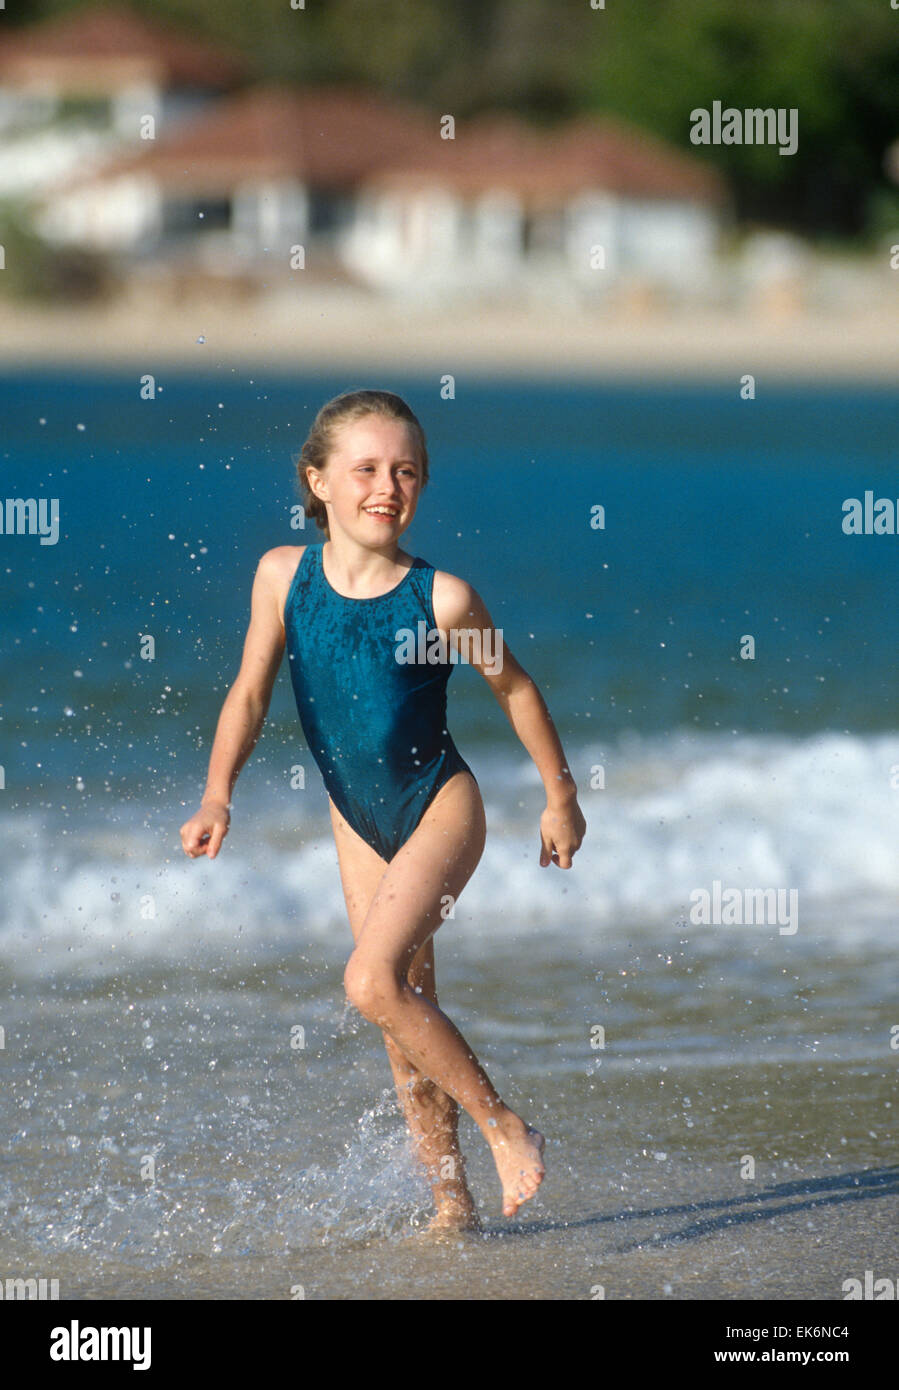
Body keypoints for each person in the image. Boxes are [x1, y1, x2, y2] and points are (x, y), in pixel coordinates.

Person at [180, 389, 586, 1230]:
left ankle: (505, 1124)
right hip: (356, 820)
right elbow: (250, 692)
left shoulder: (442, 599)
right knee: (401, 1018)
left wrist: (559, 798)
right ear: (318, 480)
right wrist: (219, 791)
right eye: (364, 468)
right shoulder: (280, 577)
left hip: (439, 805)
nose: (385, 486)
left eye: (404, 471)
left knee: (370, 981)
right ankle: (452, 1201)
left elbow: (512, 689)